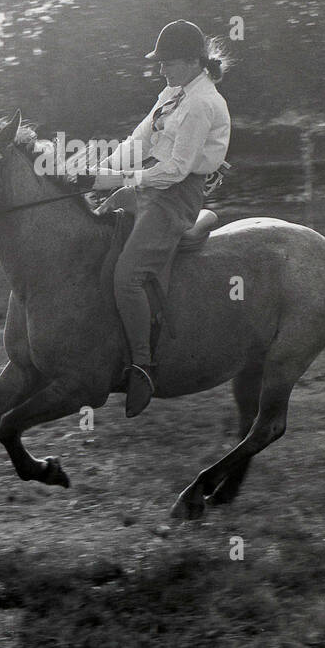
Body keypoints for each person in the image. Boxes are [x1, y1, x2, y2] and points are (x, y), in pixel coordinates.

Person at [88, 21, 232, 417]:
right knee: (98, 223)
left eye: (167, 62)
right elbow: (139, 142)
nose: (161, 68)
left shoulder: (203, 103)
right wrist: (96, 173)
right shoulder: (173, 93)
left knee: (127, 276)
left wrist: (116, 178)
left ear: (190, 61)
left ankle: (142, 366)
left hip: (176, 198)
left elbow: (176, 169)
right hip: (151, 189)